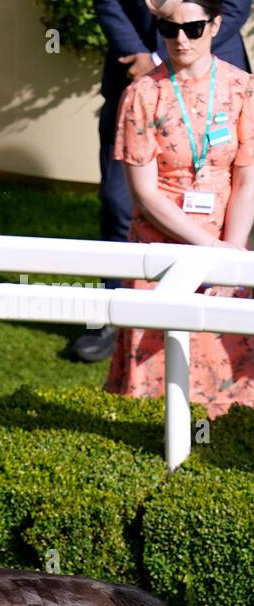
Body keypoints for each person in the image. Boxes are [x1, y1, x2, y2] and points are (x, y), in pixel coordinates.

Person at [77, 0, 249, 362]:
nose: (181, 38)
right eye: (172, 30)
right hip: (133, 68)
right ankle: (113, 316)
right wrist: (149, 55)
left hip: (217, 59)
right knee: (118, 203)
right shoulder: (141, 95)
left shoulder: (241, 89)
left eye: (194, 29)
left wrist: (188, 39)